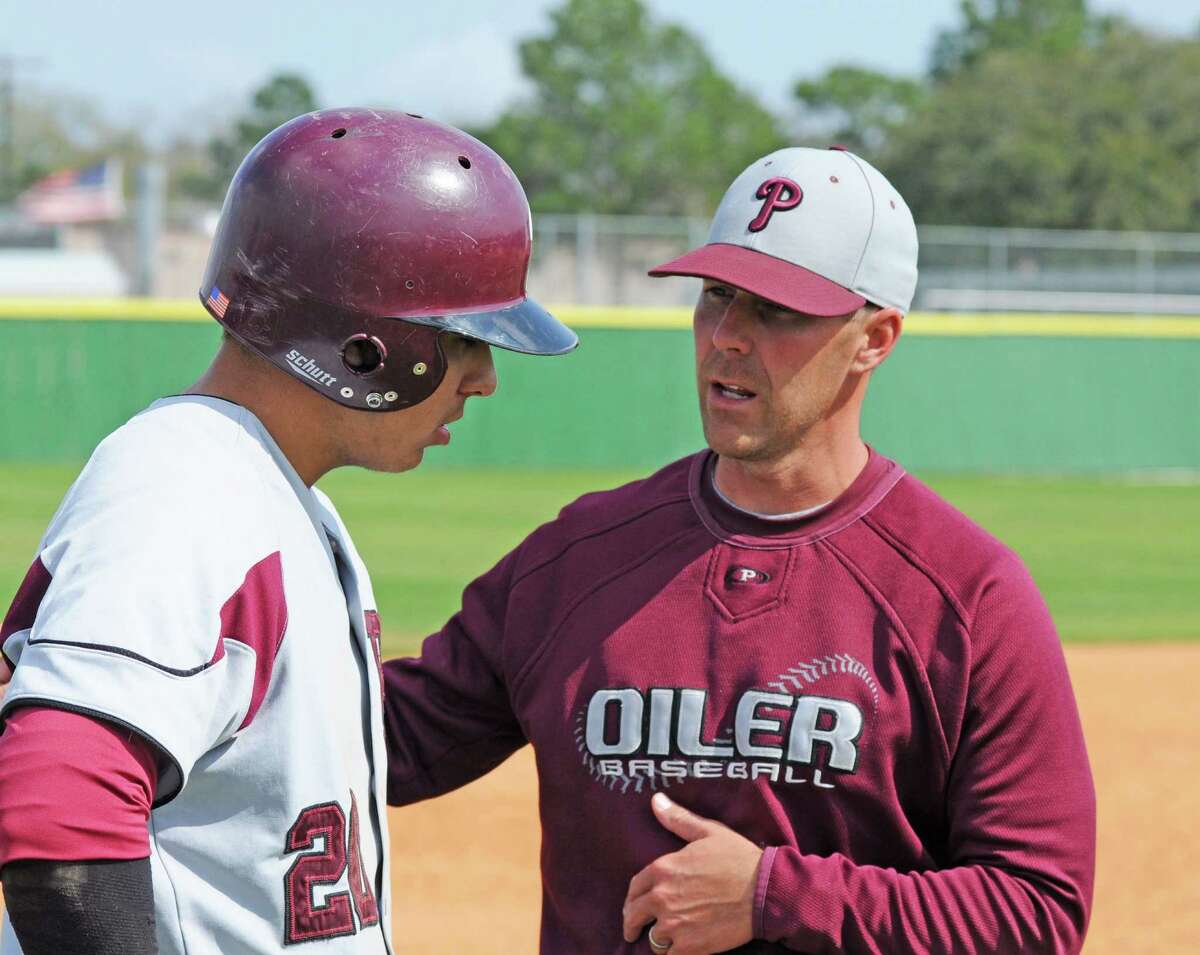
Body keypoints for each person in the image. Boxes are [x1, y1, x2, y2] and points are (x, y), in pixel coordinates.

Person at [382, 147, 1096, 953]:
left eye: (777, 310)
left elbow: (1037, 910)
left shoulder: (966, 594)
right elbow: (380, 743)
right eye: (717, 295)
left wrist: (775, 897)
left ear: (875, 337)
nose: (726, 336)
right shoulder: (579, 557)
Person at [0, 108, 576, 954]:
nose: (484, 378)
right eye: (463, 340)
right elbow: (61, 810)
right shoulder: (182, 488)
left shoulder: (266, 492)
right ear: (366, 342)